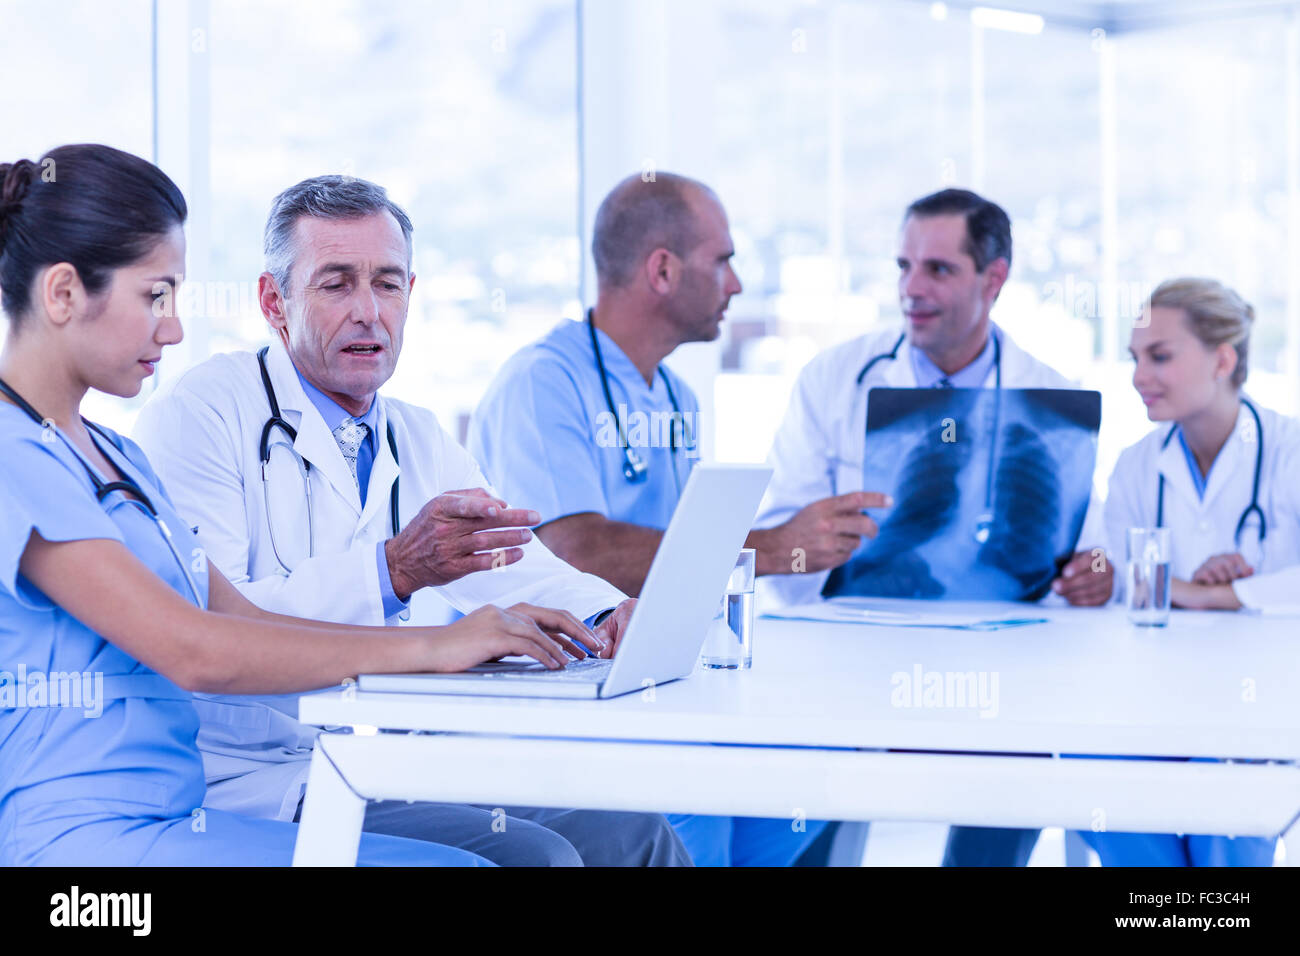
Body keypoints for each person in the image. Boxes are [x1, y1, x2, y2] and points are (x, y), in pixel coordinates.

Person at [0, 144, 591, 866]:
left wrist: (468, 638)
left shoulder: (115, 459)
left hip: (174, 814)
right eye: (155, 295)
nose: (174, 327)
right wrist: (435, 643)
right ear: (62, 294)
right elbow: (196, 651)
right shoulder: (14, 455)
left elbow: (241, 620)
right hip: (82, 852)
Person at [133, 174, 688, 867]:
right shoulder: (204, 414)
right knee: (536, 857)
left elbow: (523, 566)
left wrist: (611, 613)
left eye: (388, 284)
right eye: (336, 283)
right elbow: (212, 631)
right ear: (274, 302)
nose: (369, 311)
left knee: (635, 833)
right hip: (256, 776)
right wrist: (391, 572)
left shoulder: (418, 438)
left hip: (394, 758)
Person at [469, 172, 852, 866]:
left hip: (666, 685)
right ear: (664, 270)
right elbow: (572, 547)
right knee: (698, 810)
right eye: (723, 261)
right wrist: (773, 547)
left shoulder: (675, 393)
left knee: (830, 777)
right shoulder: (542, 383)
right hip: (577, 704)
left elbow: (684, 557)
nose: (735, 285)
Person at [755, 188, 1112, 867]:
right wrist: (809, 539)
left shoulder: (1049, 395)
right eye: (903, 266)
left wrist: (1094, 574)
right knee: (813, 827)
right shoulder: (833, 378)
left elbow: (1089, 550)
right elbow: (778, 536)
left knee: (1013, 788)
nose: (910, 289)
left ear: (994, 279)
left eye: (938, 270)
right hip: (853, 647)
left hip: (1003, 656)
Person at [1084, 277, 1298, 867]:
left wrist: (1219, 595)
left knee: (1227, 793)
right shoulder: (1136, 466)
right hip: (1151, 699)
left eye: (1159, 355)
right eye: (1135, 358)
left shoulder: (1289, 450)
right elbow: (1111, 578)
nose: (1137, 375)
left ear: (1223, 359)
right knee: (1099, 777)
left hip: (1267, 703)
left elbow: (1153, 586)